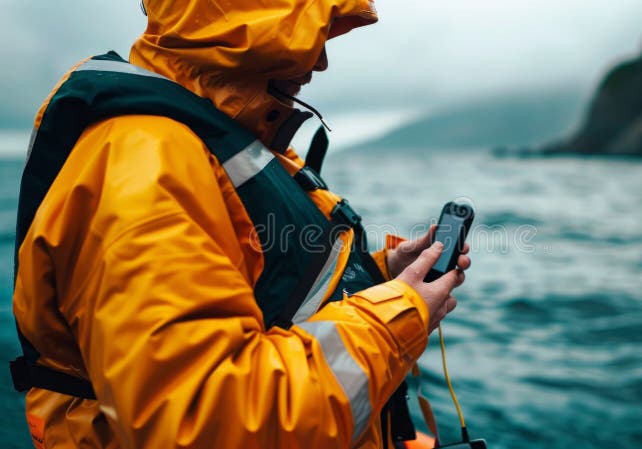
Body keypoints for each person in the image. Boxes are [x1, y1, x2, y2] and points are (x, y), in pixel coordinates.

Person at [10, 1, 470, 448]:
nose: (323, 61)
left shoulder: (218, 140)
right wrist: (398, 319)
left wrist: (384, 272)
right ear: (249, 22)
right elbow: (205, 421)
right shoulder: (144, 161)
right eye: (311, 29)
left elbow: (270, 285)